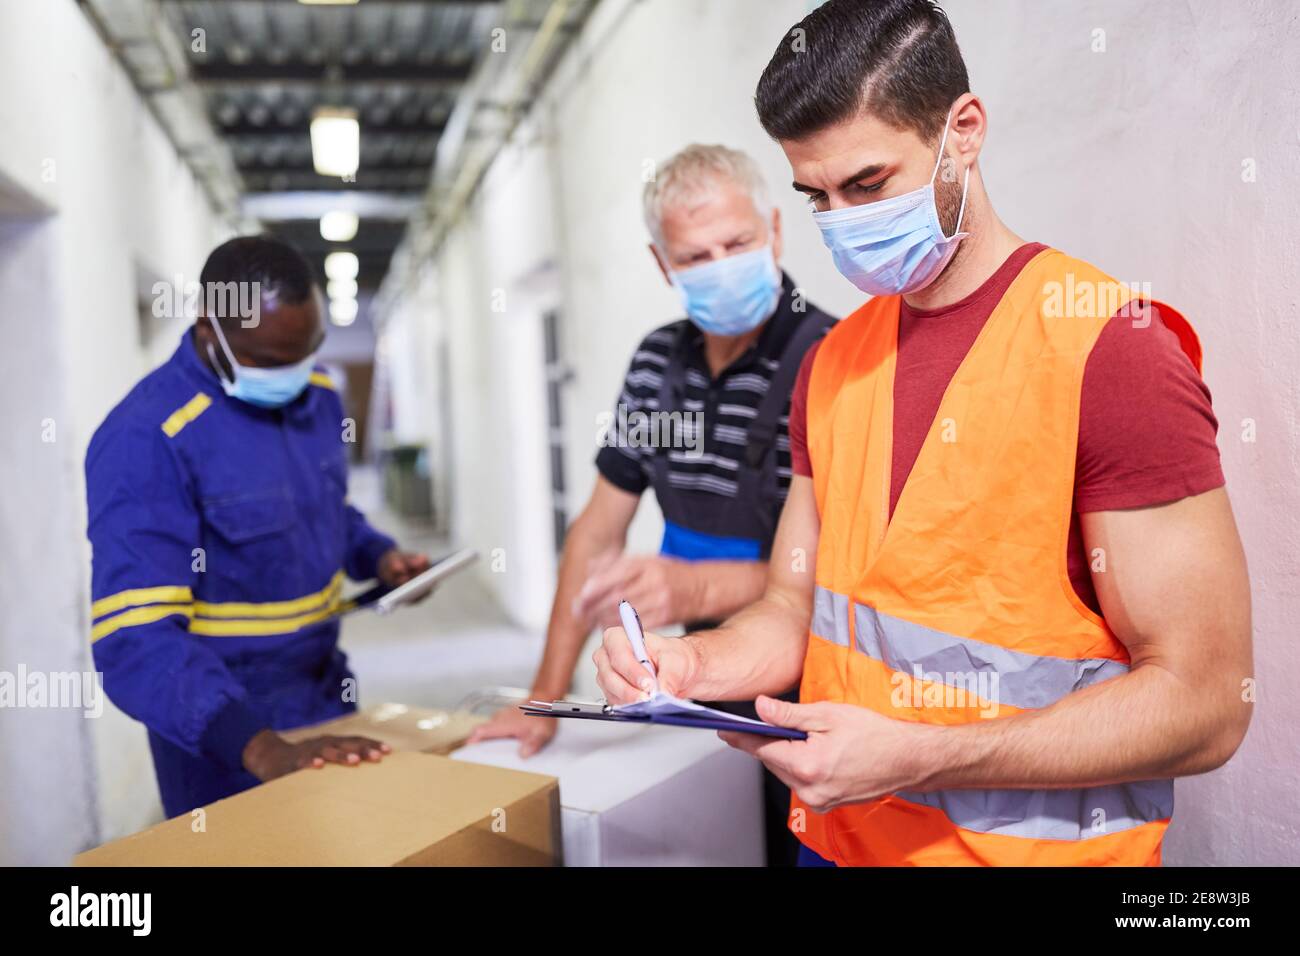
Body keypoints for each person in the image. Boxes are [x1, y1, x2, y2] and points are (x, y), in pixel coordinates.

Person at [593, 0, 1252, 867]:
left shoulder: (1107, 352)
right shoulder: (833, 362)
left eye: (866, 185)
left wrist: (929, 754)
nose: (841, 219)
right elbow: (796, 605)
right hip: (836, 845)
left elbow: (1206, 703)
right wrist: (695, 668)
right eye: (815, 195)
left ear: (964, 130)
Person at [469, 144, 835, 865]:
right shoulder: (655, 365)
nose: (720, 264)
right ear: (661, 264)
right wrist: (545, 695)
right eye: (694, 256)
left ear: (775, 230)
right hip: (680, 675)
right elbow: (596, 531)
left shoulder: (831, 357)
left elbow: (833, 571)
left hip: (802, 682)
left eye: (737, 243)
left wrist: (690, 584)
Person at [86, 236, 431, 818]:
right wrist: (263, 748)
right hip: (221, 724)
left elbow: (326, 510)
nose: (295, 374)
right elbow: (135, 638)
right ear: (208, 328)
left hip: (325, 690)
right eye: (271, 362)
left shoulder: (317, 394)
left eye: (308, 351)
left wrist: (378, 557)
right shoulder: (148, 437)